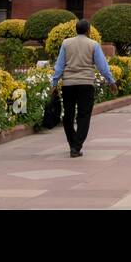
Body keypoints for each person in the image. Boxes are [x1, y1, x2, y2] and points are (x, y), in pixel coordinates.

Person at [49, 19, 119, 158]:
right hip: (86, 84)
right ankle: (76, 146)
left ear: (76, 30)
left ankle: (73, 143)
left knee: (68, 116)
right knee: (84, 116)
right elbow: (102, 66)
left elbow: (59, 65)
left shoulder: (66, 43)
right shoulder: (93, 44)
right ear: (88, 31)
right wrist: (111, 81)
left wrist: (54, 83)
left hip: (68, 84)